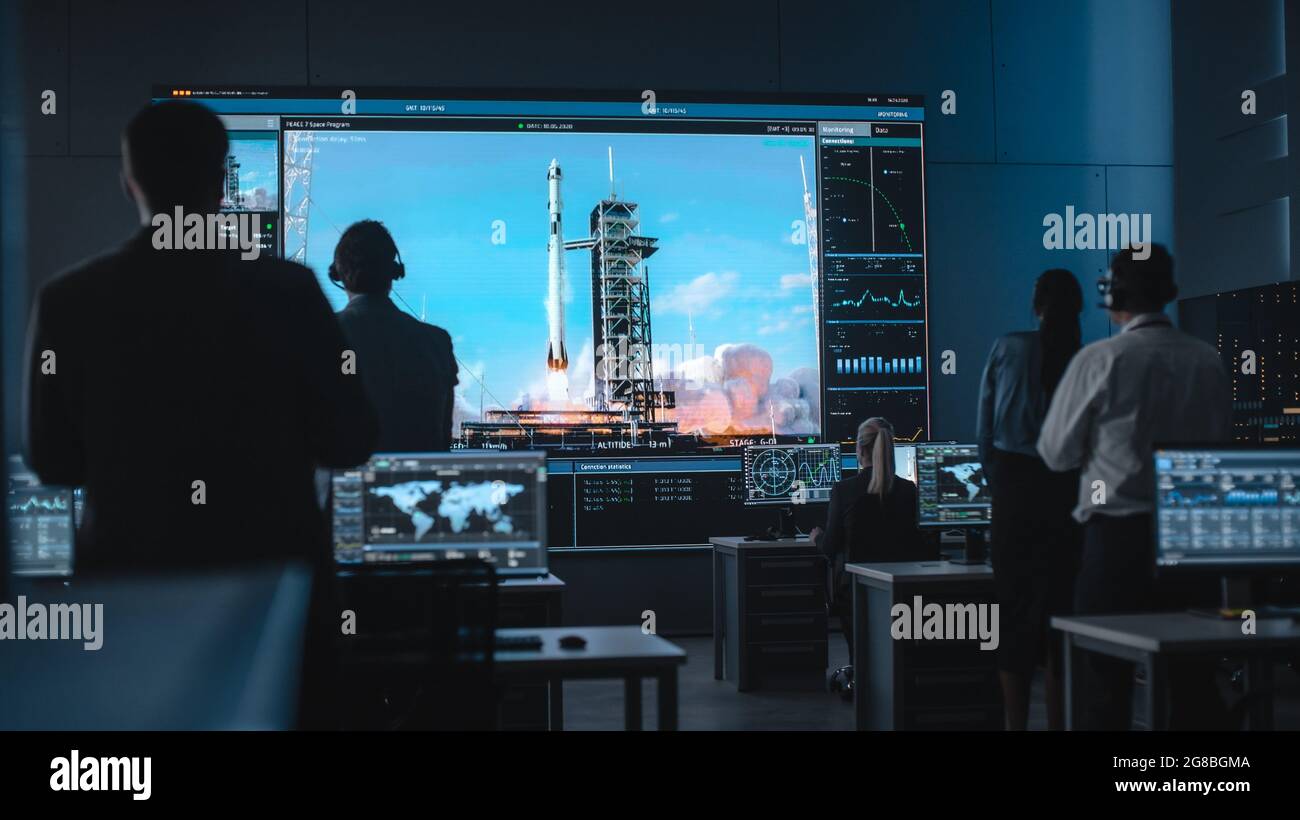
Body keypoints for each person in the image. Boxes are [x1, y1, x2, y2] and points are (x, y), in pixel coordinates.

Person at [23, 100, 377, 571]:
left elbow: (53, 463)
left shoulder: (66, 301)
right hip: (275, 595)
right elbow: (350, 440)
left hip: (129, 591)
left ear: (129, 186)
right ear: (220, 182)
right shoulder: (291, 292)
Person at [1037, 244, 1231, 730]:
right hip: (1192, 545)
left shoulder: (1100, 360)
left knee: (1105, 690)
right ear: (1170, 293)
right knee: (1194, 688)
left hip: (1116, 544)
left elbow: (1055, 451)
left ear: (1112, 295)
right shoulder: (1207, 360)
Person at [976, 268, 1084, 730]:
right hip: (1067, 491)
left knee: (1015, 620)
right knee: (1060, 619)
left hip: (1016, 493)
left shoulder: (1008, 348)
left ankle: (1015, 725)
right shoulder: (1086, 359)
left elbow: (984, 434)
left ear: (1035, 304)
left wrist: (1002, 484)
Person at [811, 417, 933, 695]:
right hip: (900, 593)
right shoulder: (908, 491)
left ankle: (864, 676)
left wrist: (816, 537)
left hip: (856, 594)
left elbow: (830, 547)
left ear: (859, 449)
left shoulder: (844, 491)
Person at [329, 220, 459, 452]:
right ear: (395, 272)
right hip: (418, 484)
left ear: (337, 274)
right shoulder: (437, 343)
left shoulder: (319, 336)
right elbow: (443, 441)